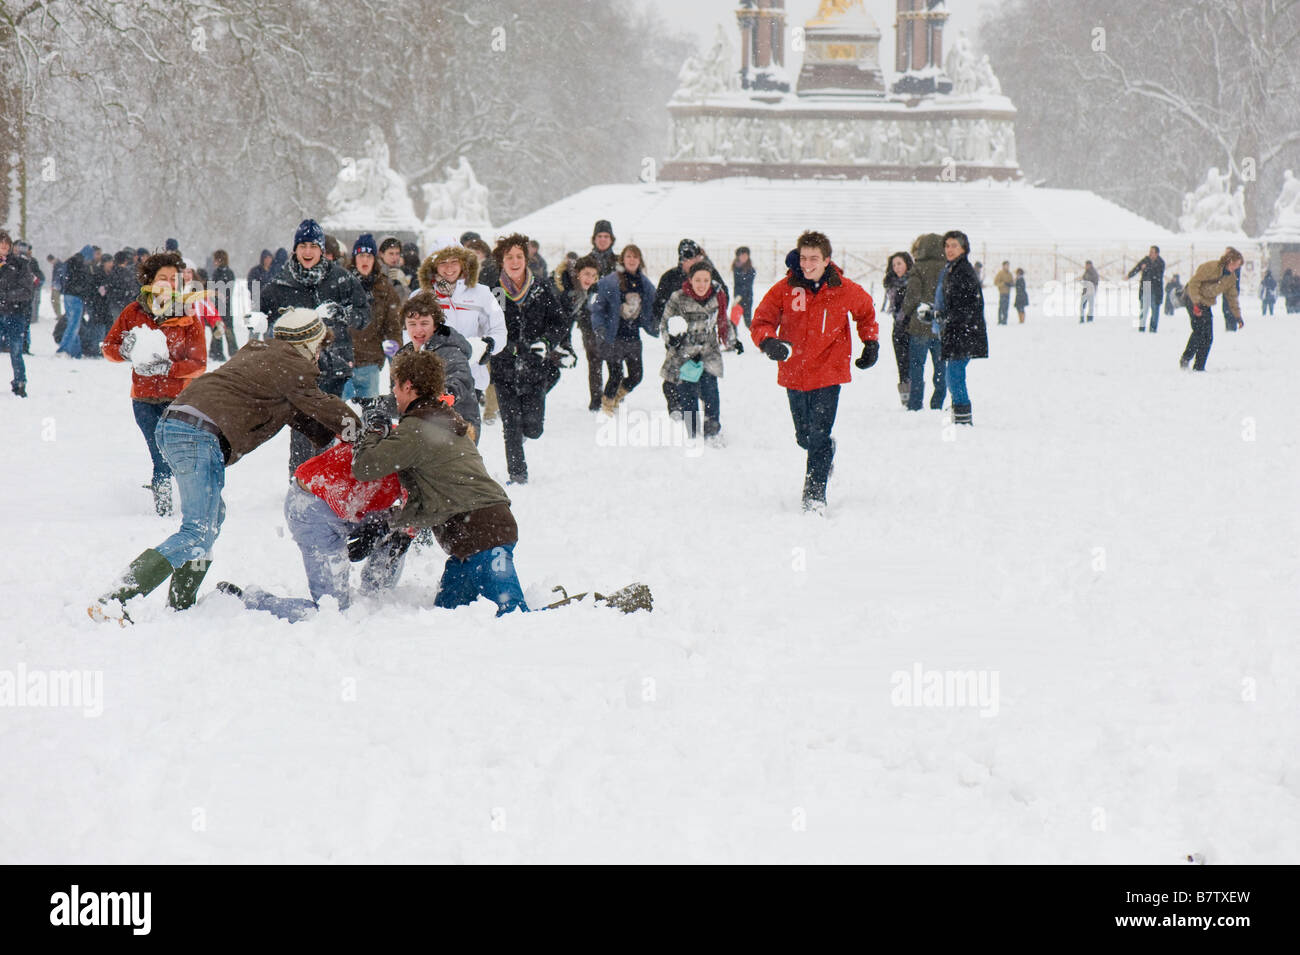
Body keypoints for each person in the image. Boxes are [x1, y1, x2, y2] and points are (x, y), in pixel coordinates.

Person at [89, 309, 361, 623]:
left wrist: (334, 437)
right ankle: (114, 599)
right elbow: (325, 406)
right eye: (320, 346)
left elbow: (301, 415)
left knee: (211, 518)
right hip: (198, 434)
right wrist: (361, 432)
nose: (320, 354)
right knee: (196, 530)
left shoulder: (265, 356)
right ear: (309, 343)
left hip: (178, 425)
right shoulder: (290, 364)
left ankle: (181, 604)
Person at [352, 349, 529, 615]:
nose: (394, 395)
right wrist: (389, 524)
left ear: (408, 387)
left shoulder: (418, 430)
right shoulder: (439, 419)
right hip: (469, 543)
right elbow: (431, 499)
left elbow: (364, 466)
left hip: (486, 537)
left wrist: (376, 427)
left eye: (395, 387)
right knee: (446, 615)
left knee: (513, 614)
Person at [751, 231, 878, 513]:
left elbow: (866, 312)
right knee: (805, 438)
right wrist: (768, 342)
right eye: (804, 258)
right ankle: (826, 451)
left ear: (827, 260)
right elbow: (761, 321)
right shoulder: (784, 288)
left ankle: (814, 495)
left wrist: (870, 342)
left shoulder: (843, 289)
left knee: (819, 435)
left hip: (829, 371)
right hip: (794, 372)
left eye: (814, 259)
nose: (808, 264)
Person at [217, 441, 408, 622]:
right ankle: (253, 600)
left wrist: (380, 529)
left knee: (401, 530)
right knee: (332, 610)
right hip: (313, 507)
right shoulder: (401, 440)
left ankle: (376, 590)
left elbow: (415, 513)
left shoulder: (426, 451)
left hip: (353, 504)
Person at [101, 251, 209, 516]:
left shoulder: (188, 315)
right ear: (150, 280)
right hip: (143, 400)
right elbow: (108, 347)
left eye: (174, 278)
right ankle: (163, 509)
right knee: (159, 454)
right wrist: (125, 351)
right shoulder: (133, 312)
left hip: (178, 400)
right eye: (163, 277)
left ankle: (194, 500)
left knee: (176, 455)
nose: (169, 283)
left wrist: (171, 368)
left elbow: (199, 363)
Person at [260, 218, 370, 475]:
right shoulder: (281, 282)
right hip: (295, 368)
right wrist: (260, 322)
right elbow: (263, 317)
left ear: (321, 249)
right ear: (295, 249)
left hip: (335, 365)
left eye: (312, 245)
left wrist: (342, 313)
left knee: (332, 425)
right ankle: (299, 479)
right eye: (302, 245)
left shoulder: (341, 279)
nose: (307, 251)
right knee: (301, 427)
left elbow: (364, 315)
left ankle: (328, 479)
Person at [488, 232, 570, 485]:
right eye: (509, 257)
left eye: (519, 256)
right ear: (501, 261)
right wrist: (507, 346)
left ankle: (526, 431)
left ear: (526, 258)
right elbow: (487, 327)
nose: (514, 261)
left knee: (533, 429)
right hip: (504, 368)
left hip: (536, 368)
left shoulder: (542, 288)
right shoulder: (493, 291)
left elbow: (559, 323)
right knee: (511, 424)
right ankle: (518, 474)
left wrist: (545, 343)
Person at [416, 244, 506, 424]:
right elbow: (408, 336)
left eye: (454, 261)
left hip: (471, 379)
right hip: (433, 380)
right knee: (435, 438)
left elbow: (499, 330)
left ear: (464, 263)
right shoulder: (420, 296)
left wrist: (488, 345)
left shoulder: (482, 293)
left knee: (467, 440)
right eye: (443, 262)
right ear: (433, 266)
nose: (449, 268)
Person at [660, 261, 737, 444]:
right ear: (690, 280)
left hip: (708, 352)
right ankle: (692, 431)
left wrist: (733, 340)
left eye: (706, 280)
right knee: (688, 394)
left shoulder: (717, 297)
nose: (702, 284)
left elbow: (722, 320)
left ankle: (712, 430)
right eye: (698, 280)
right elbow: (664, 323)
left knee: (710, 391)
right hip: (685, 354)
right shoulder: (678, 298)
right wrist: (671, 338)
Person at [390, 291, 479, 434]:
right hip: (419, 425)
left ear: (435, 325)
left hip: (457, 425)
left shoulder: (450, 350)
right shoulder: (403, 356)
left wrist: (448, 393)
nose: (418, 330)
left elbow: (461, 377)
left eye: (424, 323)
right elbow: (397, 393)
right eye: (412, 324)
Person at [591, 244, 659, 415]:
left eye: (635, 257)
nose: (632, 260)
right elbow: (598, 308)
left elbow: (656, 304)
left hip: (633, 336)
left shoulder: (645, 284)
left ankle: (617, 396)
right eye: (628, 256)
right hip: (613, 336)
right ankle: (607, 405)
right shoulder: (610, 281)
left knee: (636, 376)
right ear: (623, 259)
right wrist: (599, 328)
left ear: (640, 261)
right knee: (615, 374)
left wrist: (657, 324)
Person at [931, 230, 988, 427]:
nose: (950, 249)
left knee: (954, 375)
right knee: (952, 375)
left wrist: (942, 317)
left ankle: (963, 418)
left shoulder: (963, 271)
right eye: (947, 245)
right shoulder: (952, 269)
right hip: (957, 331)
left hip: (963, 332)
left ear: (963, 248)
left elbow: (966, 306)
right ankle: (959, 413)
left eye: (954, 245)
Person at [348, 233, 402, 410]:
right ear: (354, 258)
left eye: (369, 256)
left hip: (370, 361)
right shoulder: (341, 282)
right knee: (340, 416)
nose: (365, 260)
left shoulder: (384, 287)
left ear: (374, 259)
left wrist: (394, 349)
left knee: (368, 414)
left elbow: (392, 325)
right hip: (343, 361)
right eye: (361, 255)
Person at [900, 234, 946, 412]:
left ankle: (915, 403)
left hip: (919, 325)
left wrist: (907, 312)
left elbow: (912, 296)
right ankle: (937, 402)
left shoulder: (918, 268)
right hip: (941, 326)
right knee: (941, 367)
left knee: (917, 367)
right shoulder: (947, 268)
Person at [1180, 247, 1243, 371]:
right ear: (1228, 261)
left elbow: (1232, 298)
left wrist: (1238, 317)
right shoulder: (1211, 267)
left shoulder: (1230, 279)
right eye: (1235, 264)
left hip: (1206, 302)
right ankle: (1186, 358)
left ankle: (1199, 366)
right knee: (1199, 331)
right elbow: (1194, 283)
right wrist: (1196, 303)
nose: (1235, 268)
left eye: (1238, 266)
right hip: (1192, 298)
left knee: (1208, 336)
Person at [558, 255, 604, 411]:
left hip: (581, 323)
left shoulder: (584, 289)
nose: (589, 279)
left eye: (593, 275)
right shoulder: (566, 288)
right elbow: (562, 318)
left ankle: (597, 400)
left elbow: (568, 320)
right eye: (586, 274)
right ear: (577, 273)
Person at [653, 238, 728, 326]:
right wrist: (675, 324)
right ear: (682, 260)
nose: (697, 261)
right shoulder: (669, 278)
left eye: (698, 257)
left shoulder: (711, 274)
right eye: (692, 258)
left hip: (707, 329)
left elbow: (724, 297)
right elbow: (659, 307)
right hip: (679, 331)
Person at [0, 230, 34, 397]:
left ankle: (19, 382)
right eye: (1, 243)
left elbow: (27, 290)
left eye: (6, 243)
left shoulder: (20, 264)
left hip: (15, 313)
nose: (4, 246)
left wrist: (7, 297)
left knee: (15, 350)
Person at [882, 251, 913, 406]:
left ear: (907, 263)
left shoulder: (913, 282)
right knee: (901, 363)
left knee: (913, 364)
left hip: (912, 328)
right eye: (894, 265)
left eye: (899, 263)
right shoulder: (891, 283)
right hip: (898, 328)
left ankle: (915, 396)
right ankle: (905, 398)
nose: (896, 268)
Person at [56, 246, 94, 358]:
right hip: (76, 297)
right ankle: (64, 349)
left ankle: (75, 351)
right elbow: (83, 281)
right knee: (74, 324)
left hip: (67, 295)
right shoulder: (80, 263)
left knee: (72, 323)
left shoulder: (70, 261)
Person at [1126, 245, 1165, 333]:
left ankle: (1153, 328)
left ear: (1157, 254)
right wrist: (1129, 275)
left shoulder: (1161, 262)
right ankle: (1141, 327)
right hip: (1146, 287)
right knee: (1144, 308)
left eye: (1152, 252)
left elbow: (1157, 275)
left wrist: (1146, 268)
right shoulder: (1145, 260)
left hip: (1156, 288)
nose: (1150, 253)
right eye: (1150, 251)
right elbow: (1137, 268)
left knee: (1155, 310)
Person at [208, 250, 239, 360]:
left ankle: (229, 353)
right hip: (219, 306)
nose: (214, 262)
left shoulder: (225, 273)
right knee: (220, 329)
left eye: (216, 259)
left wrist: (221, 296)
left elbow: (227, 290)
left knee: (227, 330)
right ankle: (217, 353)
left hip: (224, 306)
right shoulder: (218, 272)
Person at [378, 236, 412, 303]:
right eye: (391, 253)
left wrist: (404, 284)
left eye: (397, 253)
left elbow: (408, 302)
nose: (395, 257)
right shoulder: (375, 272)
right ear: (381, 254)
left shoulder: (402, 271)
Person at [731, 246, 757, 328]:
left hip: (747, 298)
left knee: (748, 322)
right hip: (738, 299)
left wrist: (740, 295)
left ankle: (758, 336)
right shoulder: (736, 268)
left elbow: (747, 285)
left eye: (745, 255)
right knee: (733, 322)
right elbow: (737, 284)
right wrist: (737, 297)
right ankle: (733, 339)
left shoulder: (751, 270)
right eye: (742, 255)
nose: (743, 257)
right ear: (738, 257)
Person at [993, 260, 1013, 325]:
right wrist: (1003, 284)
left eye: (1008, 265)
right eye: (1006, 265)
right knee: (1001, 307)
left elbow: (1012, 282)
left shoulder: (1010, 274)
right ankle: (1000, 320)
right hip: (1002, 292)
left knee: (1006, 307)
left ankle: (1005, 320)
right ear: (1003, 266)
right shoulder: (1000, 273)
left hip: (1008, 292)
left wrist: (1010, 284)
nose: (1007, 267)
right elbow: (996, 282)